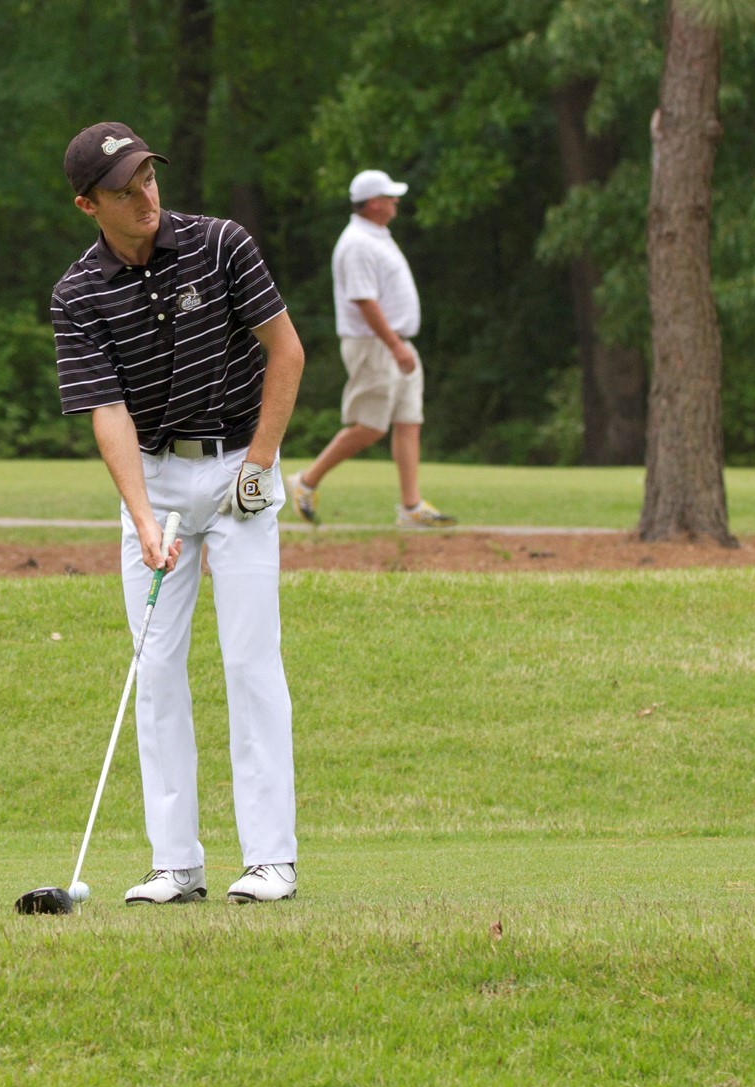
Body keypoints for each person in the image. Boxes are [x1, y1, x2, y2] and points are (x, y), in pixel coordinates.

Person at [49, 122, 305, 905]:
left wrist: (259, 463)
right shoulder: (78, 294)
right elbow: (108, 412)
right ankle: (177, 865)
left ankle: (270, 860)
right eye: (124, 192)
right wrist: (143, 516)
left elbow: (285, 351)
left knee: (249, 660)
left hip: (236, 470)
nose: (144, 199)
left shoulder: (222, 244)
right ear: (89, 204)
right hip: (153, 484)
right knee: (154, 671)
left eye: (149, 180)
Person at [287, 169, 457, 528]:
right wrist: (394, 345)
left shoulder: (377, 236)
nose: (397, 201)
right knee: (369, 425)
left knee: (409, 422)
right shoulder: (357, 243)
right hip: (377, 345)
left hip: (397, 344)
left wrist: (400, 345)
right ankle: (305, 482)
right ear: (375, 203)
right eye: (391, 196)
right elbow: (364, 300)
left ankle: (411, 508)